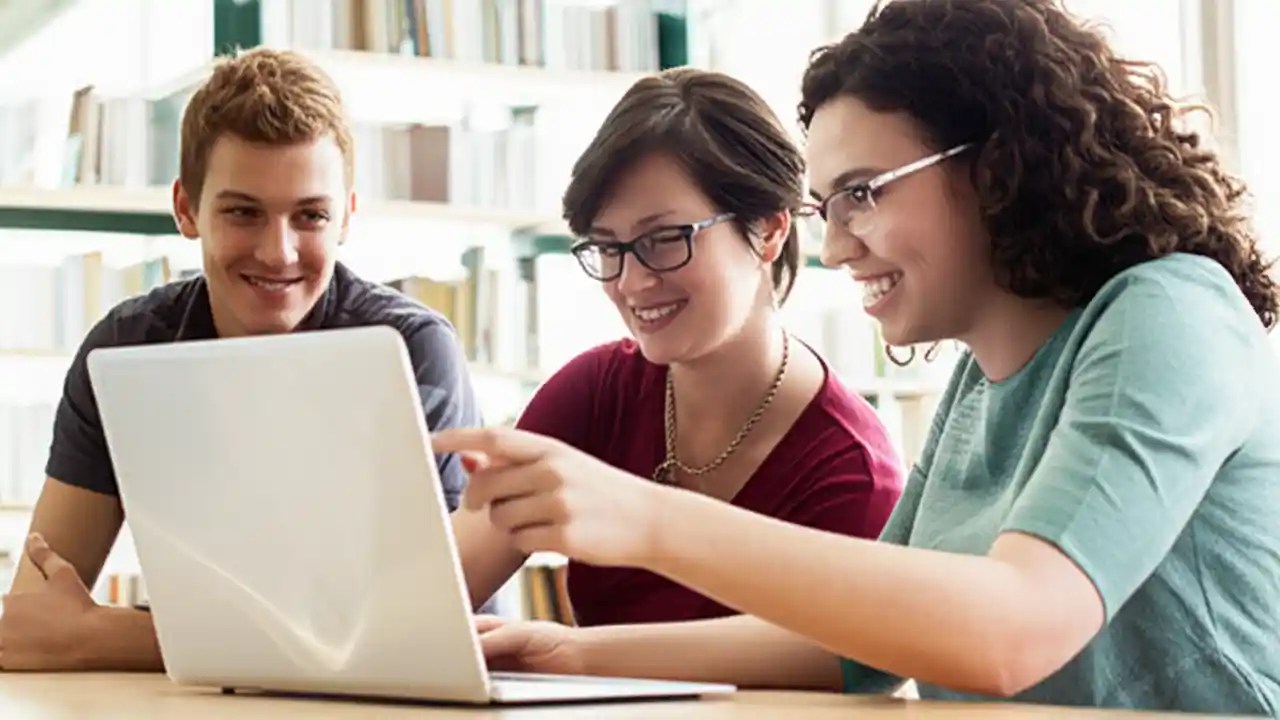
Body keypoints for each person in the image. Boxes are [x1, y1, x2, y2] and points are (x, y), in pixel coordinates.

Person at [432, 0, 1280, 714]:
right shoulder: (978, 386)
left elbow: (1013, 629)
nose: (834, 248)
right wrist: (570, 657)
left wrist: (648, 522)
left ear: (998, 162)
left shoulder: (1170, 314)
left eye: (862, 194)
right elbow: (858, 648)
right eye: (827, 206)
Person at [0, 48, 482, 671]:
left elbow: (417, 633)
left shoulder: (410, 351)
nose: (278, 252)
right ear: (185, 209)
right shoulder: (125, 348)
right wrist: (84, 634)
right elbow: (34, 624)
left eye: (310, 215)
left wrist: (109, 638)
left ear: (347, 218)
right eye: (242, 212)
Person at [452, 67, 905, 626]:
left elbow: (831, 664)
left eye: (665, 240)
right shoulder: (593, 393)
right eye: (609, 247)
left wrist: (565, 658)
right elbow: (440, 587)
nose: (632, 282)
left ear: (769, 230)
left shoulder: (849, 470)